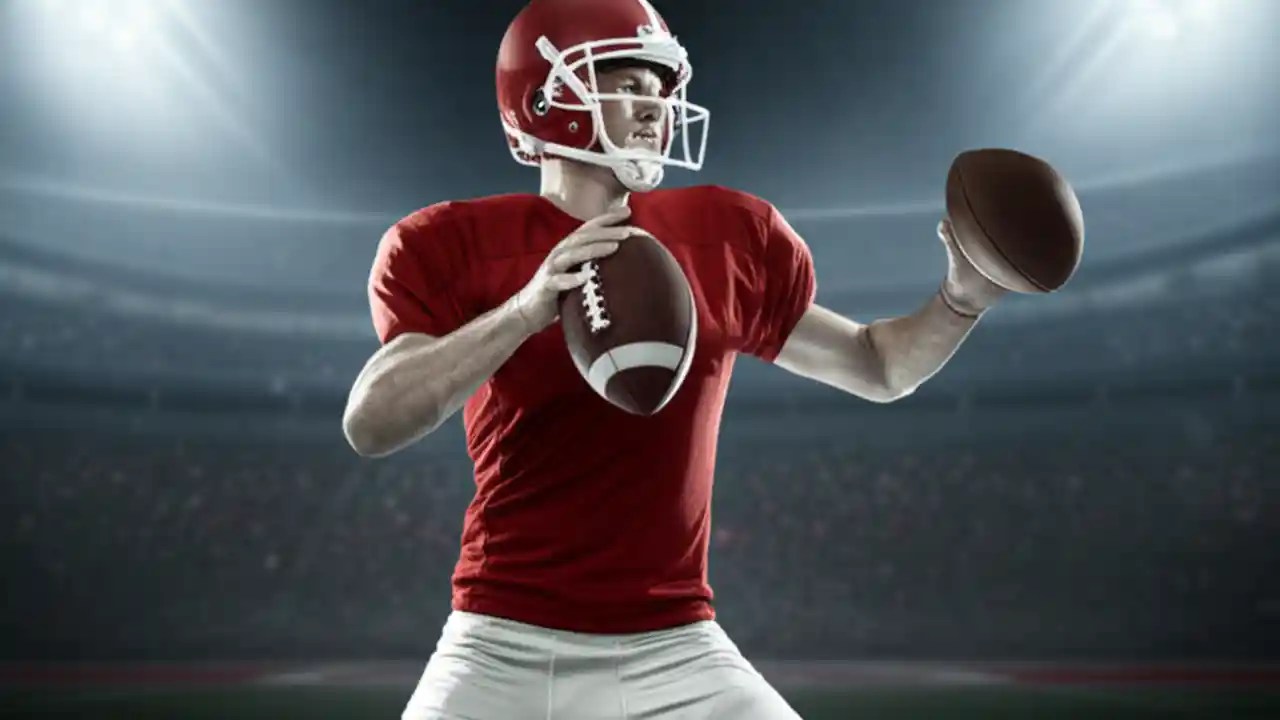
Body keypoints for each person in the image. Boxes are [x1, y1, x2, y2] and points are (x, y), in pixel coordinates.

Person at [342, 0, 1006, 717]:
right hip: (501, 642)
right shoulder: (452, 242)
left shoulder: (724, 235)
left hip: (676, 647)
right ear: (546, 98)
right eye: (626, 80)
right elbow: (371, 422)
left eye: (660, 85)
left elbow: (877, 367)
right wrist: (525, 310)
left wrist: (960, 299)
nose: (655, 104)